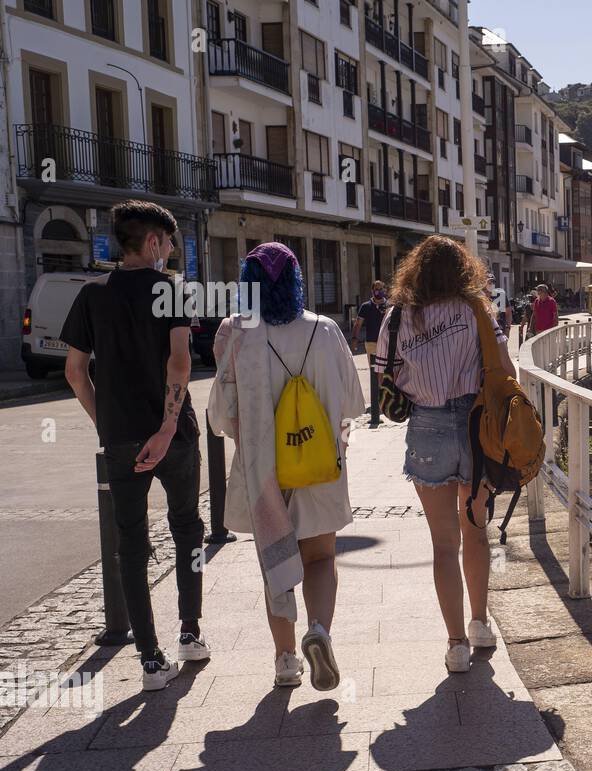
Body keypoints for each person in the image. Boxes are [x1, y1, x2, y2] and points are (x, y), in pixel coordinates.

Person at [208, 243, 366, 690]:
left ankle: (285, 661)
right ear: (297, 280)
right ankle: (318, 629)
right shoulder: (325, 329)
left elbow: (221, 414)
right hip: (317, 462)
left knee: (275, 560)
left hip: (265, 472)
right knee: (320, 557)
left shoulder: (236, 332)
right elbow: (352, 401)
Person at [62, 200, 206, 691]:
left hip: (120, 439)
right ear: (152, 243)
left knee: (131, 544)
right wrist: (166, 429)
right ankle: (190, 632)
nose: (169, 252)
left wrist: (107, 423)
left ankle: (149, 660)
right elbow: (181, 363)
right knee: (187, 529)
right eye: (168, 243)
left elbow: (75, 372)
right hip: (176, 436)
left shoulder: (91, 294)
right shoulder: (171, 290)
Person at [375, 235, 515, 672]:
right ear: (464, 270)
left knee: (442, 545)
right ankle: (479, 623)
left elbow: (383, 376)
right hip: (476, 428)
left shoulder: (398, 318)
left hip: (428, 427)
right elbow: (506, 372)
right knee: (475, 531)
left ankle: (455, 645)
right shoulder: (477, 311)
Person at [352, 280, 388, 365]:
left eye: (381, 289)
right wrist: (354, 339)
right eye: (376, 289)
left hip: (387, 343)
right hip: (371, 344)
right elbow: (358, 324)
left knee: (387, 372)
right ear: (372, 291)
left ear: (384, 290)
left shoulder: (389, 305)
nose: (378, 291)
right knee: (374, 370)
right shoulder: (366, 306)